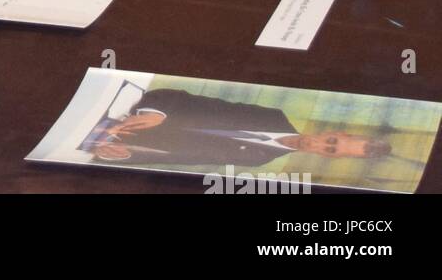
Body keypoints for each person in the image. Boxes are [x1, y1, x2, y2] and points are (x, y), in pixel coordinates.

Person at [92, 88, 393, 167]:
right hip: (119, 108)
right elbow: (180, 99)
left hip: (103, 138)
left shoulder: (257, 160)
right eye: (330, 140)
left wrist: (126, 155)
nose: (318, 145)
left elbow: (177, 158)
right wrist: (156, 112)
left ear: (330, 157)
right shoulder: (271, 115)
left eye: (330, 151)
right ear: (335, 132)